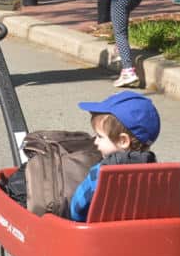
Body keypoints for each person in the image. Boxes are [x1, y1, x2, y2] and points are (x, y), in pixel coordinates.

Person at [67, 92, 160, 222]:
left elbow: (76, 210)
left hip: (101, 237)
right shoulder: (159, 174)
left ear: (123, 141)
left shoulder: (101, 173)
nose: (95, 141)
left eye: (100, 136)